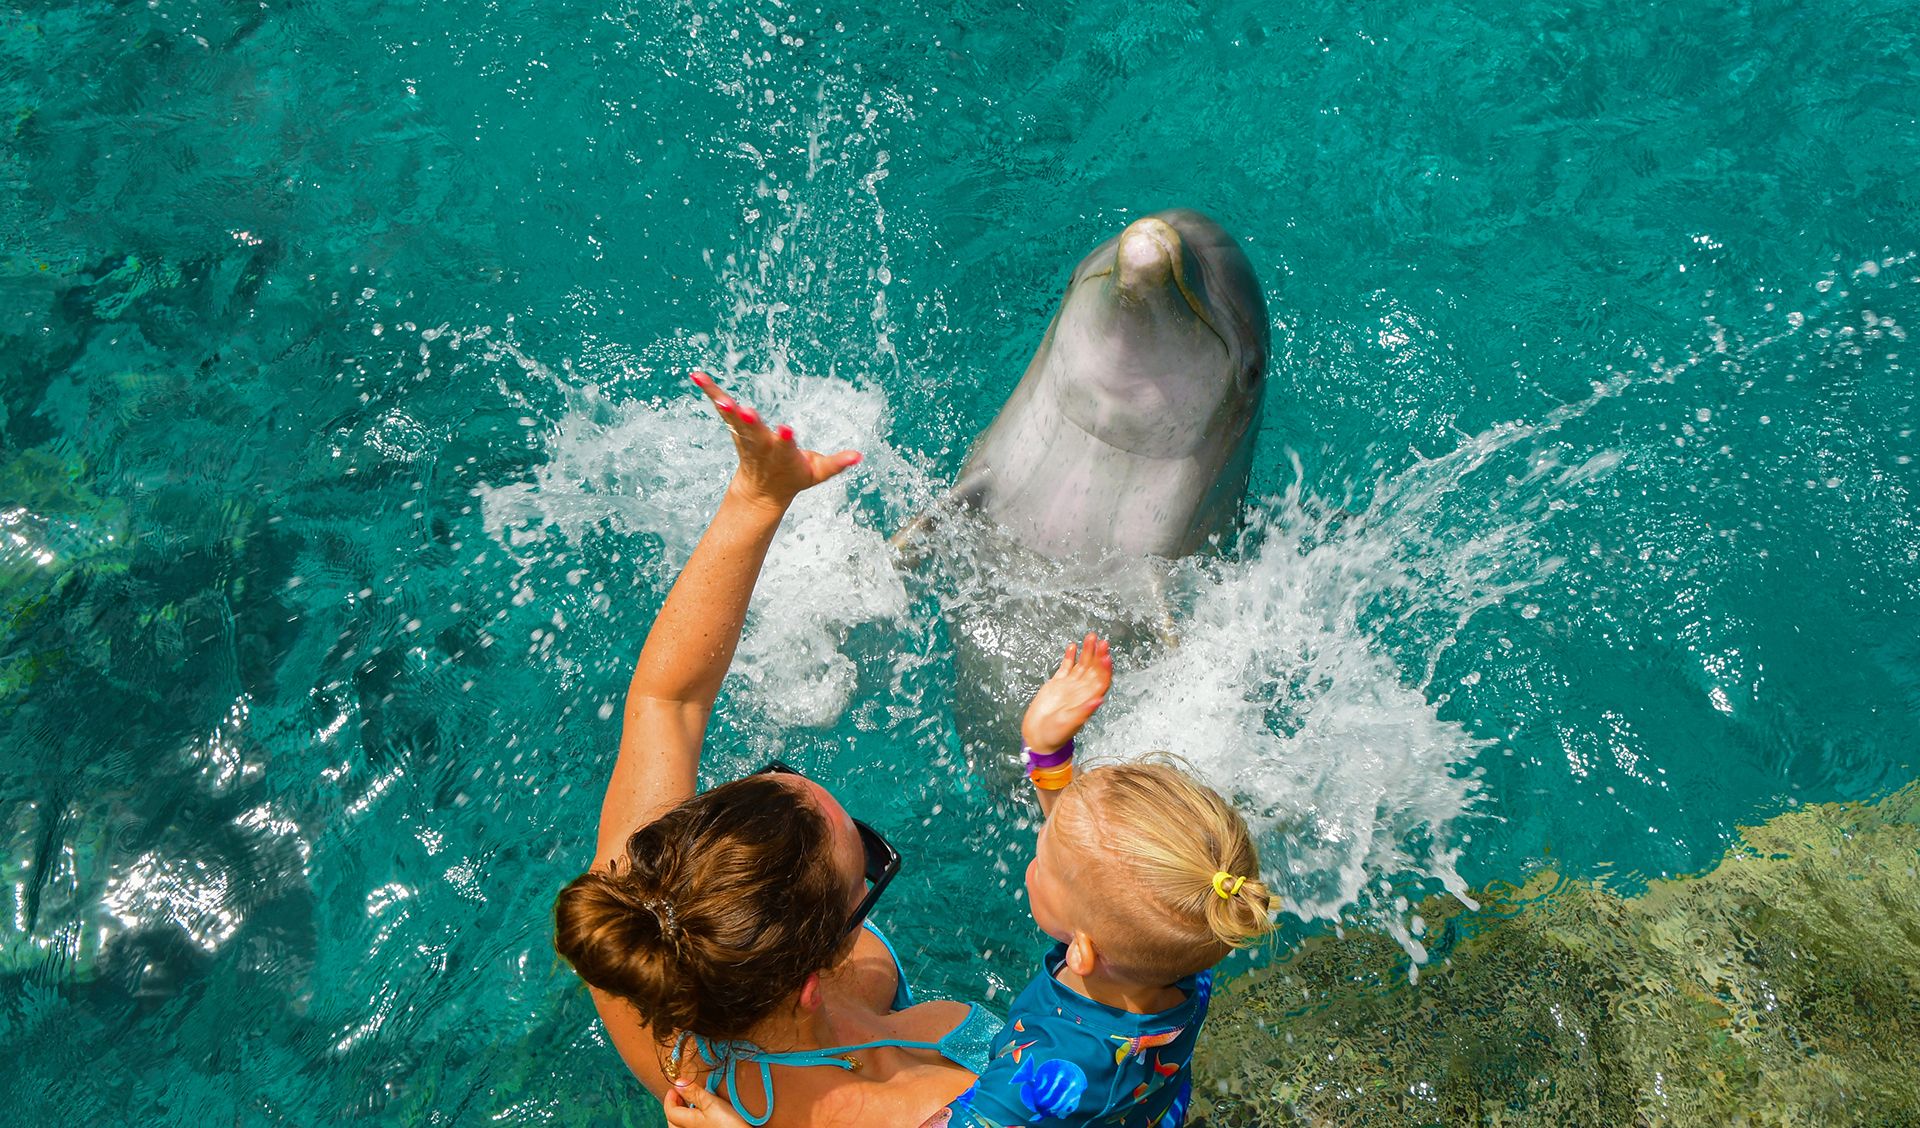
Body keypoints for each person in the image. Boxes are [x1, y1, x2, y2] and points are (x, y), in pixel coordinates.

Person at [553, 371, 998, 1128]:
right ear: (814, 974)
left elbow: (670, 700)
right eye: (869, 857)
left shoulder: (651, 969)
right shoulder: (924, 1110)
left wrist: (758, 497)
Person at [662, 634, 1280, 1128]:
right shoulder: (1180, 931)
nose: (1033, 861)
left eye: (1044, 864)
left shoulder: (1039, 1084)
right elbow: (1108, 881)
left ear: (1085, 950)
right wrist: (1048, 758)